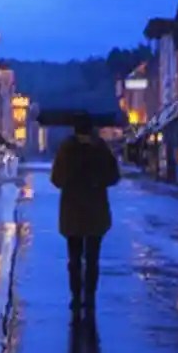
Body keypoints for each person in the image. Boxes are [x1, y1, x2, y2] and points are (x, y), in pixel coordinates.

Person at [50, 113, 121, 311]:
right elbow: (114, 176)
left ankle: (76, 296)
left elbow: (56, 179)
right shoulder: (101, 149)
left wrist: (71, 181)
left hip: (72, 213)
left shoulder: (66, 149)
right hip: (95, 213)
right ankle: (89, 297)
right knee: (92, 258)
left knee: (74, 258)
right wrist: (97, 181)